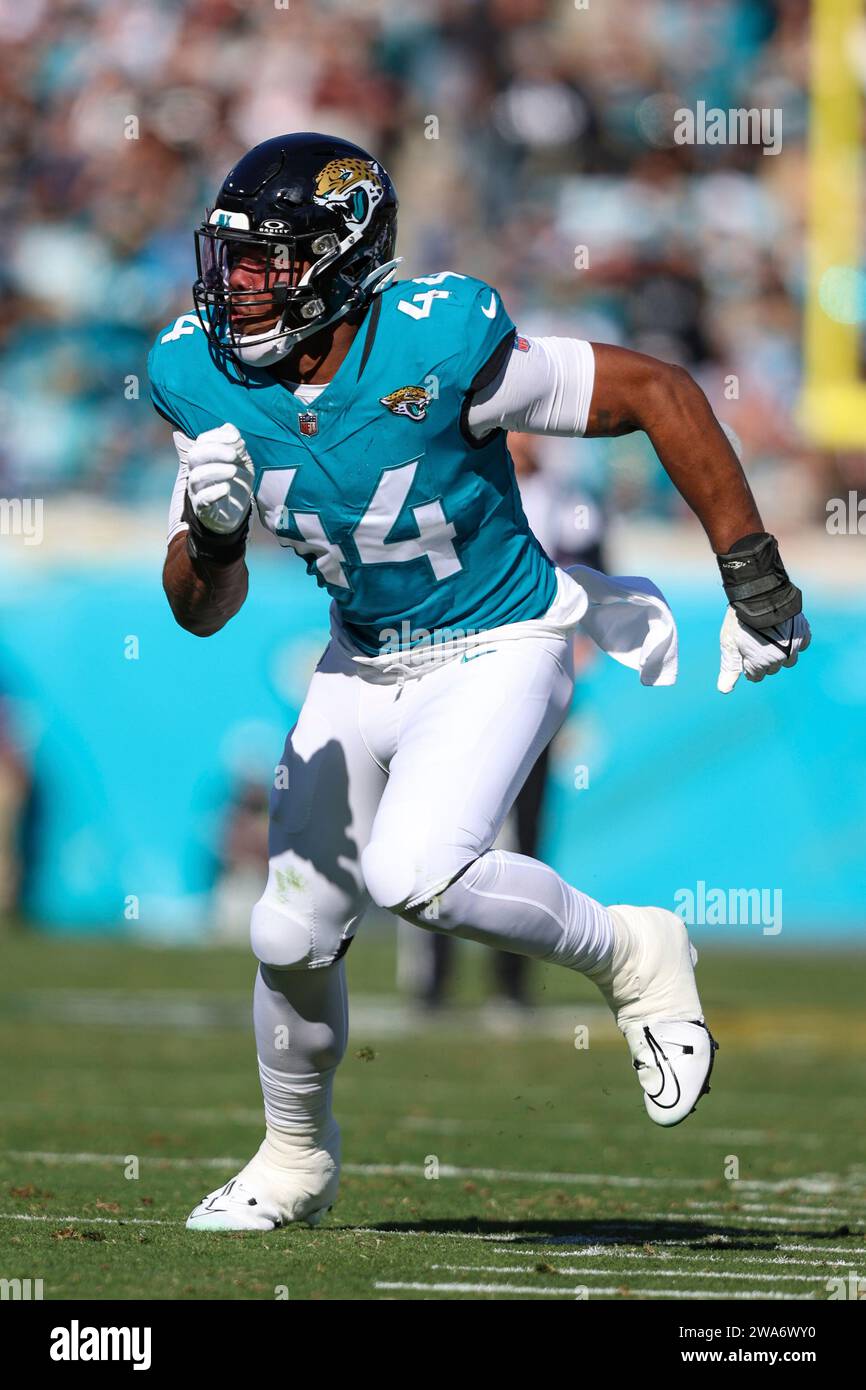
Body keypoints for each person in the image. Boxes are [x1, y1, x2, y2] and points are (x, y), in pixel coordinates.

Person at [149, 133, 810, 1231]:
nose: (239, 287)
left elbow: (658, 389)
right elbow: (197, 610)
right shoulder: (196, 373)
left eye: (269, 262)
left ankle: (632, 948)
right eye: (232, 260)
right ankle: (293, 1156)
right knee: (286, 934)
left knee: (418, 870)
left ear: (345, 262)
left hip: (499, 638)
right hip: (360, 655)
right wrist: (213, 536)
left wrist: (750, 573)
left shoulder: (441, 341)